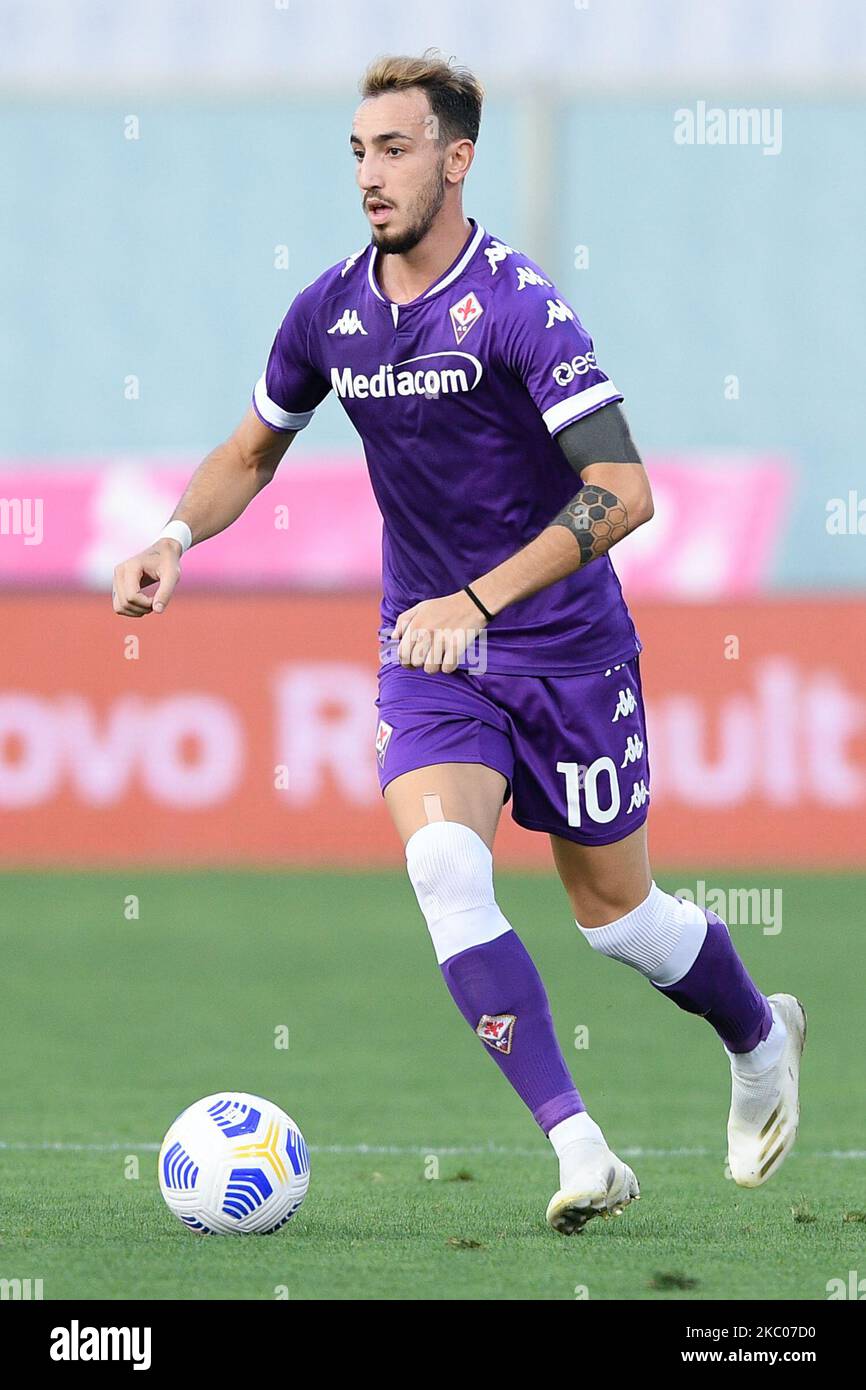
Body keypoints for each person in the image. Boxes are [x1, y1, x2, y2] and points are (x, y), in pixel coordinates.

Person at [113, 50, 806, 1234]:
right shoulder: (329, 309)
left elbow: (622, 493)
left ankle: (757, 1034)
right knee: (442, 868)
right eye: (356, 153)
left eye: (393, 150)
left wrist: (478, 599)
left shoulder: (520, 306)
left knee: (618, 918)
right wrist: (176, 534)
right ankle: (581, 1148)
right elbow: (250, 451)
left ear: (456, 157)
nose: (370, 176)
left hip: (567, 655)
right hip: (430, 660)